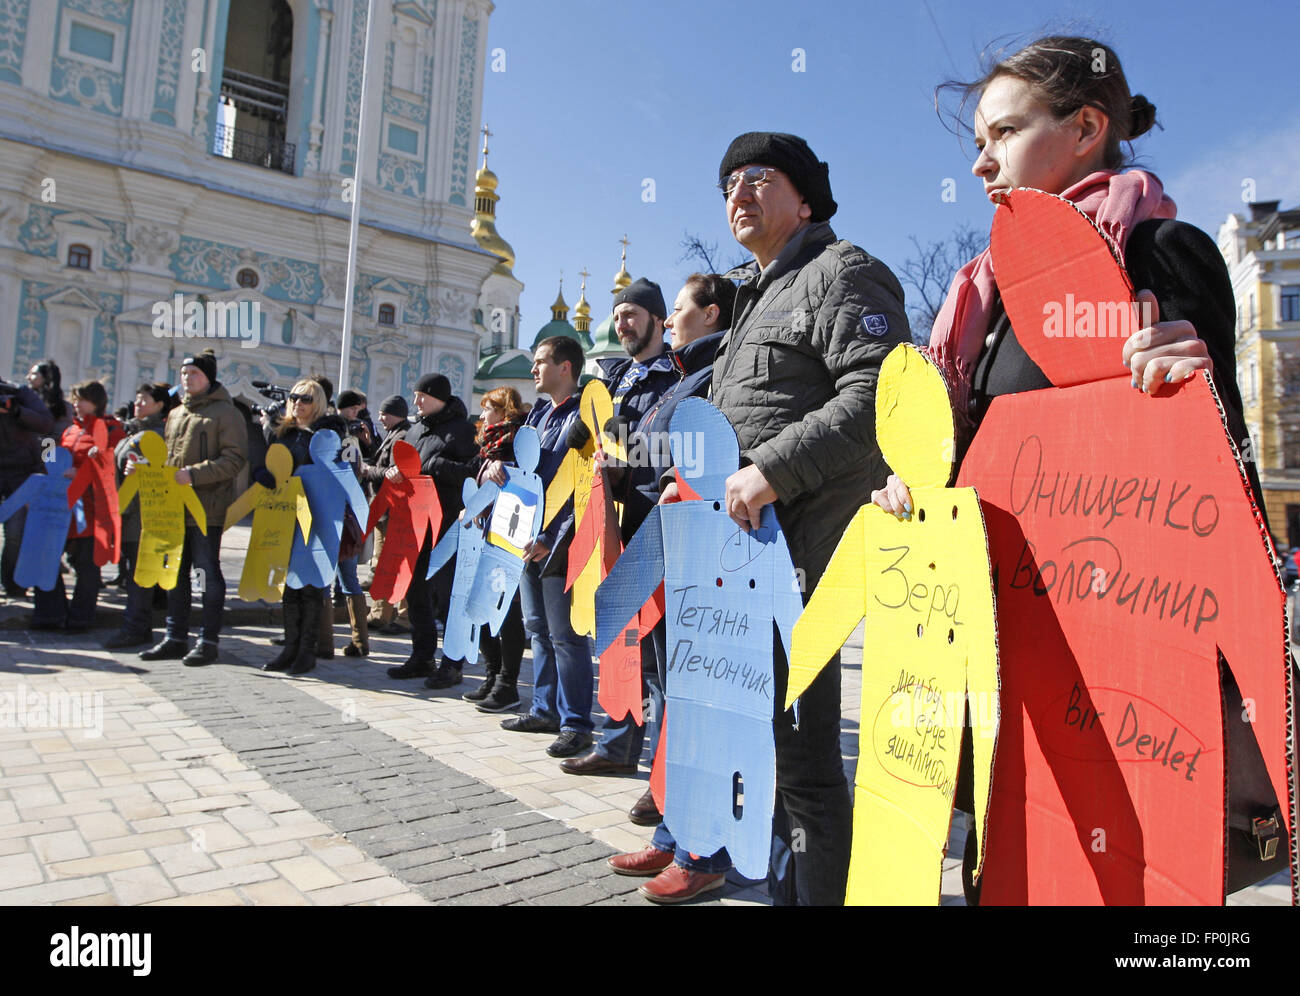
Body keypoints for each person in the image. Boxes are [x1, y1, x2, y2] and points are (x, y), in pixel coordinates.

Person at [869, 36, 1258, 902]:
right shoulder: (985, 294)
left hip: (1122, 672)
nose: (980, 163)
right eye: (976, 143)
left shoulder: (1158, 251)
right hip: (1004, 652)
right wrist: (917, 493)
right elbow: (978, 465)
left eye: (1002, 134)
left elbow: (1217, 472)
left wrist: (1195, 391)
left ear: (1086, 127)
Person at [709, 131, 911, 906]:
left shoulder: (841, 271)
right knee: (770, 764)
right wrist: (697, 484)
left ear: (804, 197)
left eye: (759, 177)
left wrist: (769, 471)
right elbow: (745, 421)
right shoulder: (753, 297)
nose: (739, 192)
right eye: (729, 183)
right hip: (743, 562)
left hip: (804, 568)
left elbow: (880, 398)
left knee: (808, 772)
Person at [601, 273, 741, 902]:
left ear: (709, 314)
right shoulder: (683, 375)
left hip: (699, 553)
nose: (671, 320)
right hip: (662, 546)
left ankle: (703, 851)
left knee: (695, 700)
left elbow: (714, 457)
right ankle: (672, 826)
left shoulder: (719, 371)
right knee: (668, 695)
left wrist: (667, 477)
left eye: (679, 310)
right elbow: (656, 453)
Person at [559, 277, 679, 777]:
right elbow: (584, 441)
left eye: (632, 314)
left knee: (659, 655)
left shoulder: (678, 377)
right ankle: (616, 745)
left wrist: (626, 463)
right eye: (618, 316)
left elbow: (676, 450)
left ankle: (665, 770)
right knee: (619, 639)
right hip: (615, 527)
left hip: (658, 526)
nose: (622, 324)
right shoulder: (616, 382)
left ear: (657, 318)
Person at [499, 336, 594, 758]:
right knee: (536, 629)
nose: (534, 369)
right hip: (526, 538)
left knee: (566, 636)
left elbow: (586, 488)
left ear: (566, 367)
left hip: (559, 544)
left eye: (541, 362)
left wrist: (553, 537)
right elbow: (525, 473)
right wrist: (497, 468)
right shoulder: (537, 414)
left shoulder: (585, 416)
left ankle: (576, 723)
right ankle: (544, 709)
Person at [139, 350, 247, 666]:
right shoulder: (175, 414)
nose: (187, 379)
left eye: (194, 374)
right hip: (173, 510)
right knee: (176, 574)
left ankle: (208, 641)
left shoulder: (226, 414)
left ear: (209, 377)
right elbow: (168, 460)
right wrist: (144, 467)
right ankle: (175, 637)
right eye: (184, 373)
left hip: (206, 509)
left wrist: (194, 474)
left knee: (205, 573)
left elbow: (234, 459)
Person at [384, 373, 476, 686]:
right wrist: (394, 472)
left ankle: (452, 663)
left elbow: (472, 474)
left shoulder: (462, 430)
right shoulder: (415, 429)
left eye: (422, 396)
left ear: (439, 397)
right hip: (413, 522)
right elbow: (404, 462)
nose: (416, 401)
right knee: (416, 593)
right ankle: (421, 656)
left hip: (446, 524)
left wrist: (438, 468)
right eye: (416, 395)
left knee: (446, 595)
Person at [262, 379, 347, 674]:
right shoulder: (284, 432)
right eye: (294, 397)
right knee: (290, 586)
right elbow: (272, 467)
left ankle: (306, 651)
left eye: (306, 399)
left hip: (316, 517)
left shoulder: (328, 436)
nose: (298, 403)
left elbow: (335, 476)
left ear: (319, 403)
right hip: (286, 514)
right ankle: (290, 647)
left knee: (311, 586)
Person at [32, 381, 125, 630]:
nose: (76, 403)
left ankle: (81, 618)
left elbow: (110, 468)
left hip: (93, 510)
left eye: (82, 399)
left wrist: (80, 473)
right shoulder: (69, 431)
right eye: (75, 399)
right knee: (47, 558)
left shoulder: (112, 429)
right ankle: (50, 613)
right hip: (62, 508)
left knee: (86, 566)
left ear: (97, 401)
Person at [463, 387, 529, 713]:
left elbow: (523, 483)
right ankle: (491, 675)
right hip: (484, 535)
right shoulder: (489, 446)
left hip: (508, 537)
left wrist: (497, 474)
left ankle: (508, 684)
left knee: (506, 612)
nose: (482, 416)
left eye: (488, 409)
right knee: (484, 607)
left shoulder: (517, 443)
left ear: (504, 411)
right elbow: (477, 479)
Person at [104, 383, 177, 648]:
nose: (138, 403)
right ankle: (138, 626)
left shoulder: (160, 435)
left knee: (139, 576)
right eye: (137, 399)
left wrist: (145, 470)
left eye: (144, 399)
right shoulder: (132, 432)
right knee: (133, 574)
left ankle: (135, 629)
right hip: (125, 513)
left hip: (145, 516)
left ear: (159, 405)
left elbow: (167, 470)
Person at [363, 395, 413, 634]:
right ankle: (385, 613)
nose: (380, 418)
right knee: (386, 563)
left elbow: (393, 473)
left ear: (396, 414)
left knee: (385, 564)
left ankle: (382, 615)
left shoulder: (401, 437)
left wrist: (368, 470)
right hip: (387, 512)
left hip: (390, 512)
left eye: (384, 413)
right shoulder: (396, 434)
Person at [0, 373, 53, 598]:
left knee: (14, 533)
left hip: (19, 473)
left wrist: (15, 410)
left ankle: (13, 583)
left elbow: (45, 422)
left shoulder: (18, 392)